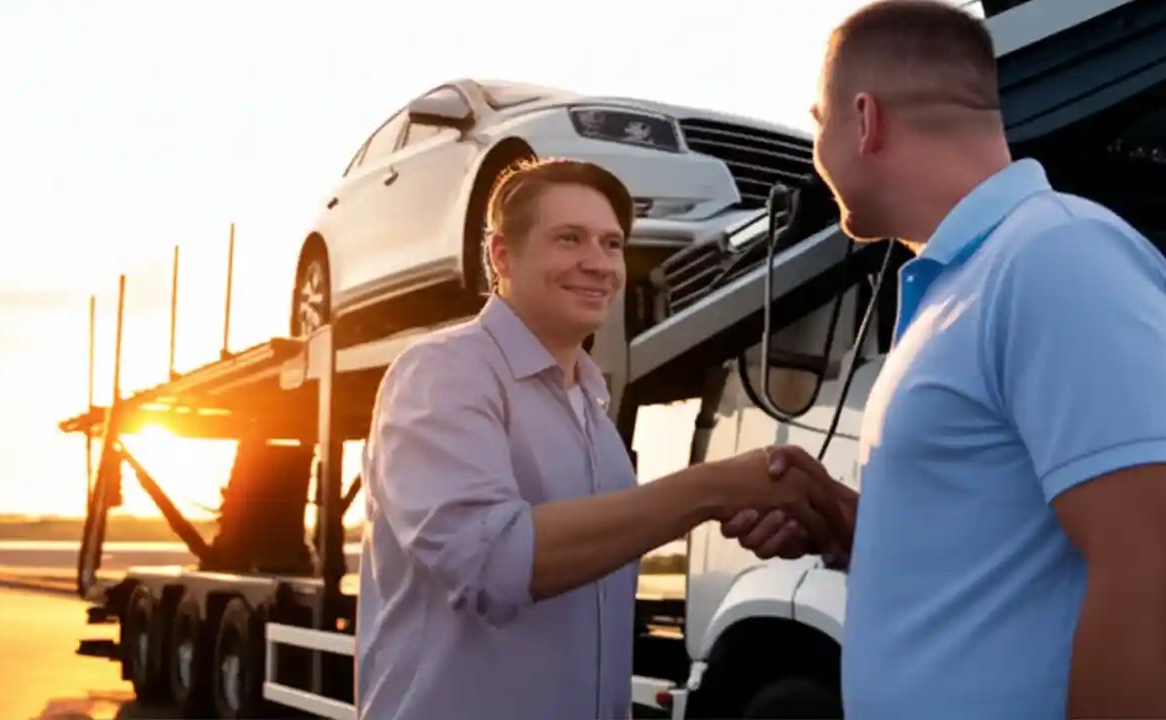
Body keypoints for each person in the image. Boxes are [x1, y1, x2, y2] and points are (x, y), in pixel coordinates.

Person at [726, 1, 1166, 718]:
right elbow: (1006, 554)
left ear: (864, 120)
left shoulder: (1056, 258)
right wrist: (853, 527)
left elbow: (1159, 577)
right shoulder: (968, 283)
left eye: (817, 121)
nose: (816, 149)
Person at [354, 157, 835, 720]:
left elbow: (601, 575)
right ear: (501, 255)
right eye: (569, 239)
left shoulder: (591, 407)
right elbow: (493, 561)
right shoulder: (442, 373)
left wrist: (742, 509)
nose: (598, 263)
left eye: (611, 244)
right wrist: (711, 490)